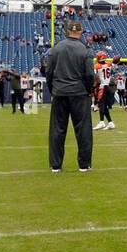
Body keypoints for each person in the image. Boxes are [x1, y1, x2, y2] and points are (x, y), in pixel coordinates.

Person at [45, 19, 96, 172]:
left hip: (60, 91)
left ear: (67, 31)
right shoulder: (85, 50)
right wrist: (88, 90)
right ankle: (84, 164)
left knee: (57, 129)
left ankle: (56, 165)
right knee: (83, 130)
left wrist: (53, 89)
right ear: (80, 32)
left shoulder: (56, 48)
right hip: (79, 93)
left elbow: (48, 72)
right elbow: (89, 75)